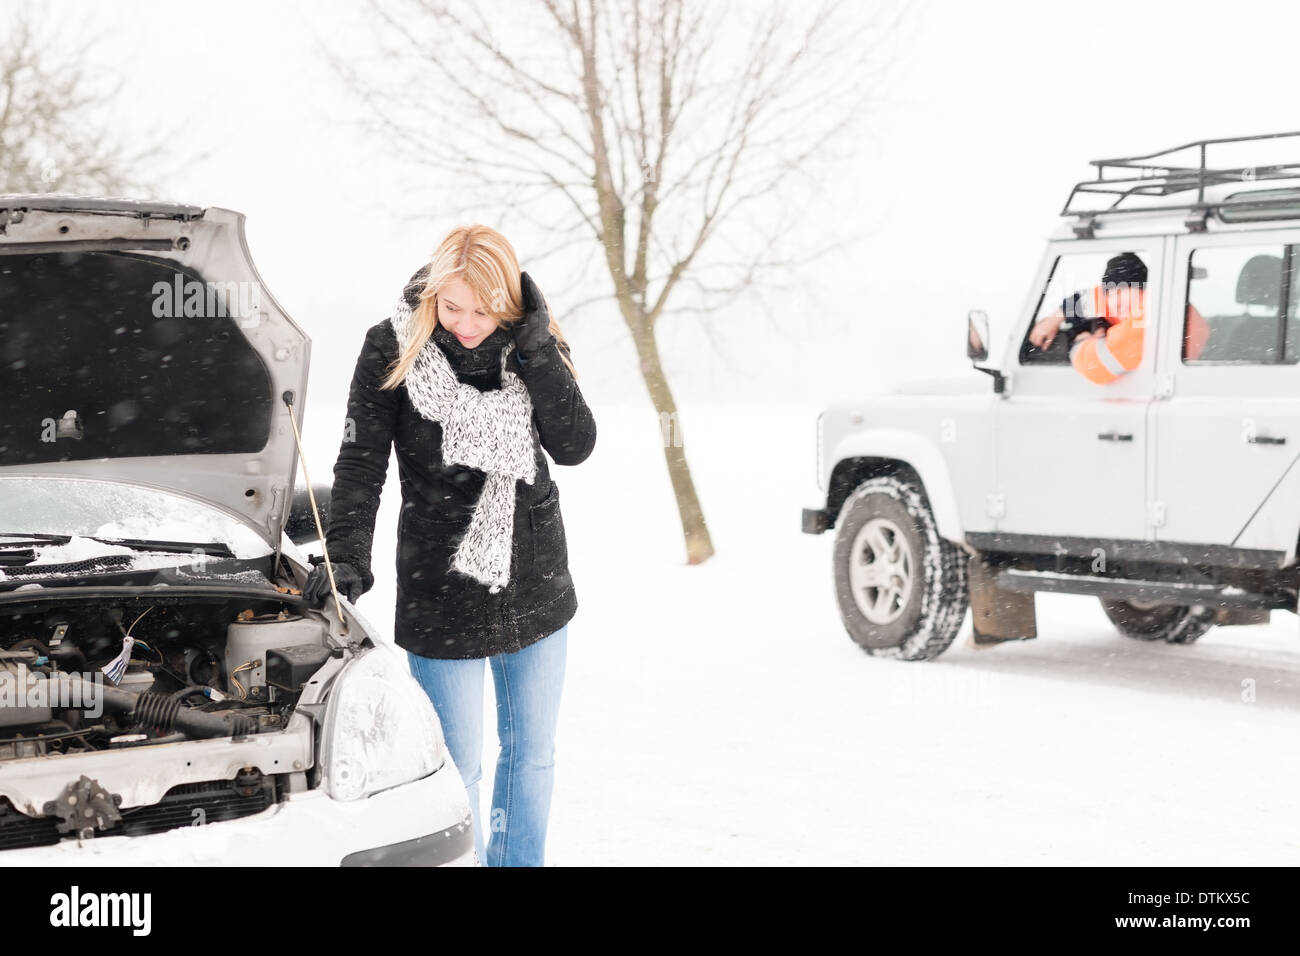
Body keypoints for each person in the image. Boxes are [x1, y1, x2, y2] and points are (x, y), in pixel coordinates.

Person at [303, 224, 597, 867]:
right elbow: (360, 462)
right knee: (455, 770)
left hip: (535, 574)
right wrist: (348, 551)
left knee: (531, 754)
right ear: (432, 293)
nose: (466, 324)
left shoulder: (532, 345)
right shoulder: (392, 345)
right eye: (451, 306)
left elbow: (575, 445)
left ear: (510, 302)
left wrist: (538, 352)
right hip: (440, 581)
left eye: (483, 309)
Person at [1028, 252, 1210, 382]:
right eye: (1112, 293)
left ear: (1144, 289)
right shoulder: (1146, 299)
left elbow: (1096, 366)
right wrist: (1056, 318)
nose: (1116, 301)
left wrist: (1080, 343)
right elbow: (1093, 297)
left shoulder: (1152, 316)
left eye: (1123, 291)